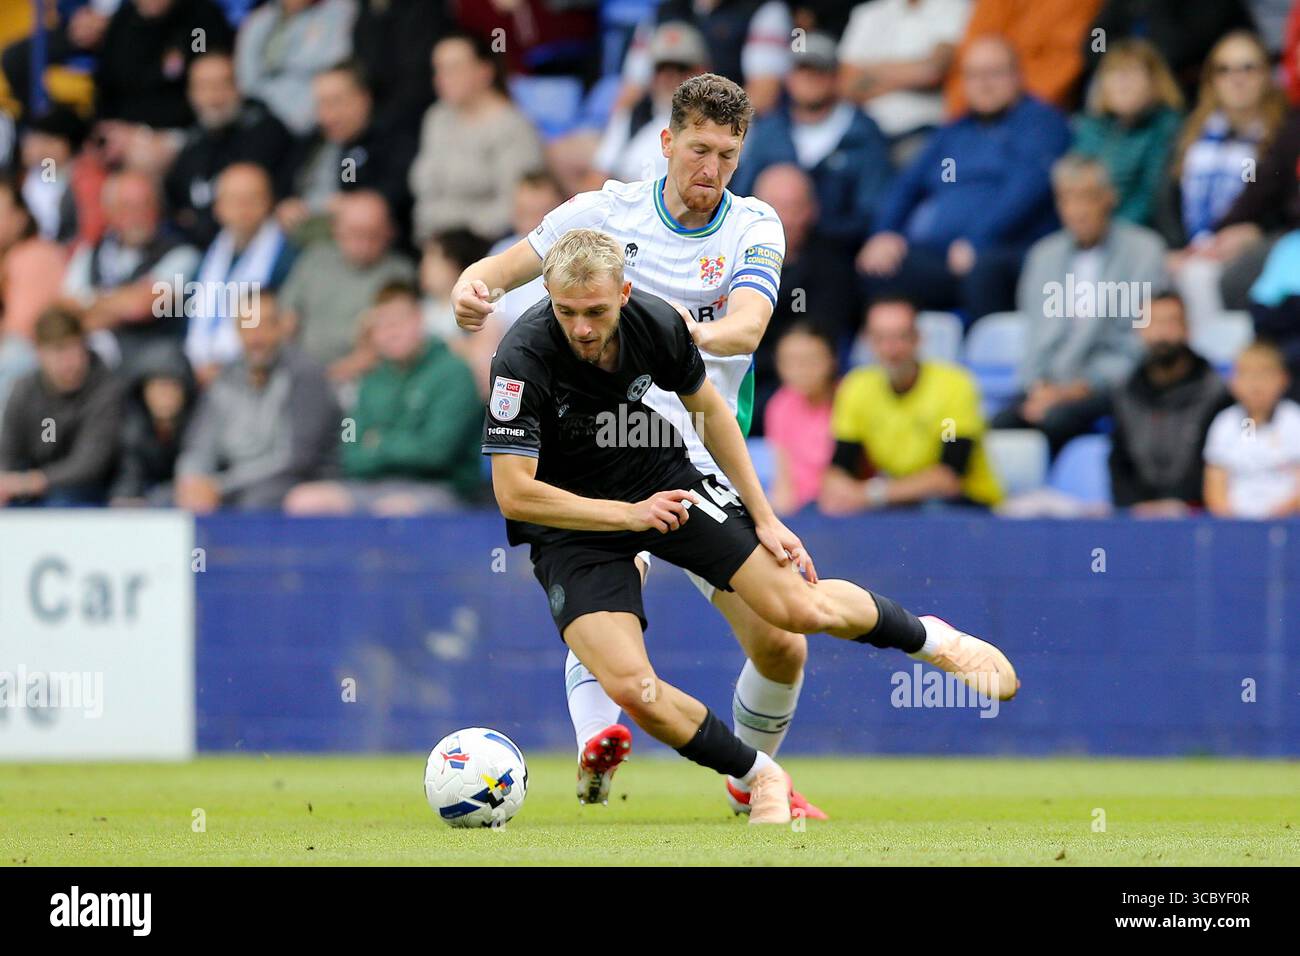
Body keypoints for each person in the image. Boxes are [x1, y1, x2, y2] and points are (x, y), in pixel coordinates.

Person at [483, 228, 1018, 824]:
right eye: (566, 311)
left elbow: (709, 411)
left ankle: (935, 641)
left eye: (596, 312)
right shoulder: (521, 357)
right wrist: (628, 518)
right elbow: (515, 493)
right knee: (636, 690)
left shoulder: (655, 322)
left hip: (661, 477)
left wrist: (764, 516)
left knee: (797, 610)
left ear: (625, 293)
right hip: (573, 522)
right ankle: (759, 776)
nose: (581, 327)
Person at [453, 74, 820, 817]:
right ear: (666, 143)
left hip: (707, 460)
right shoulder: (602, 213)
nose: (709, 169)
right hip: (605, 452)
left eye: (726, 153)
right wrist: (471, 285)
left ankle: (748, 780)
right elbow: (503, 268)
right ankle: (601, 739)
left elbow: (748, 329)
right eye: (696, 149)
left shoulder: (754, 225)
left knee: (785, 644)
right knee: (618, 586)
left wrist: (680, 337)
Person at [857, 36, 1071, 322]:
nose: (984, 84)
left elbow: (1026, 192)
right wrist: (884, 233)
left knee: (984, 270)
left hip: (1012, 250)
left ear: (1018, 75)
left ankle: (986, 361)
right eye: (973, 75)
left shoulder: (1042, 123)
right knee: (878, 267)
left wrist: (979, 239)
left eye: (994, 73)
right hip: (944, 254)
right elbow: (907, 185)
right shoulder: (953, 131)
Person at [993, 155, 1165, 454]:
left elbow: (1138, 340)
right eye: (1067, 200)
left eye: (1087, 198)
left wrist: (1078, 388)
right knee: (999, 426)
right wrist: (1040, 388)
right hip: (1048, 387)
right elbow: (1034, 336)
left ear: (1108, 199)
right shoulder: (1043, 255)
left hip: (1112, 386)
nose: (1078, 211)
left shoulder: (1144, 252)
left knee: (1057, 422)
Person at [283, 282, 481, 515]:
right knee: (303, 501)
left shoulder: (454, 372)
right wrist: (399, 445)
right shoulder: (370, 379)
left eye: (397, 323)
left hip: (441, 489)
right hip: (372, 485)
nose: (390, 333)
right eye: (381, 326)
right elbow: (351, 451)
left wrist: (378, 443)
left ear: (418, 321)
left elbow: (436, 454)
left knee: (390, 511)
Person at [820, 297, 1001, 513]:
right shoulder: (856, 387)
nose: (891, 349)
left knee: (934, 508)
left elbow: (949, 476)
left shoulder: (954, 385)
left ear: (918, 339)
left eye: (901, 337)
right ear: (868, 342)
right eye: (880, 338)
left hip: (964, 505)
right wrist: (839, 490)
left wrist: (871, 494)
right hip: (896, 501)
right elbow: (841, 465)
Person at [1158, 31, 1289, 328]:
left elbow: (1288, 202)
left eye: (1248, 68)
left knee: (1200, 277)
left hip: (1255, 248)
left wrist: (1256, 233)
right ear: (1211, 80)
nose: (1236, 78)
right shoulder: (1190, 133)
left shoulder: (1284, 135)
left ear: (1267, 75)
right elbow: (1167, 198)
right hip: (1192, 247)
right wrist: (1176, 247)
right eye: (1224, 69)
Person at [175, 290, 341, 511]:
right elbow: (199, 446)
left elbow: (296, 459)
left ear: (282, 328)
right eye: (248, 326)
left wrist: (220, 486)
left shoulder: (306, 375)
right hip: (233, 483)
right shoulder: (224, 377)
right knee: (164, 500)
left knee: (255, 502)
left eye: (265, 325)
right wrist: (191, 481)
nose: (256, 338)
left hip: (298, 483)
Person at [728, 31, 893, 246]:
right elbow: (741, 196)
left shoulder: (864, 133)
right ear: (788, 78)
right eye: (801, 70)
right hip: (767, 251)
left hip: (840, 254)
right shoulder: (770, 129)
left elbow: (873, 210)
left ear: (835, 76)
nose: (809, 78)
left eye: (818, 70)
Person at [408, 31, 544, 245]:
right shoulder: (436, 117)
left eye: (454, 68)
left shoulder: (513, 126)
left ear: (485, 71)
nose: (442, 78)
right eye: (438, 69)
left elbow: (515, 206)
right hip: (432, 238)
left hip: (486, 246)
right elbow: (424, 189)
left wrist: (458, 235)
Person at [61, 170, 200, 368]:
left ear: (157, 208)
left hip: (152, 365)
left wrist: (89, 303)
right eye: (127, 207)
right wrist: (118, 304)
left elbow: (140, 306)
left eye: (145, 205)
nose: (137, 215)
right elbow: (66, 307)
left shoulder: (182, 252)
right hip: (93, 366)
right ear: (109, 211)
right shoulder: (91, 251)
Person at [1109, 293, 1231, 514]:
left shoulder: (1217, 392)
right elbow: (1119, 461)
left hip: (1197, 515)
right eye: (1152, 322)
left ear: (1187, 328)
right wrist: (1133, 506)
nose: (1161, 333)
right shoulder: (1125, 393)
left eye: (1170, 322)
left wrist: (1180, 502)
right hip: (1138, 516)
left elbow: (1216, 460)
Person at [278, 190, 415, 384]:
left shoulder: (399, 273)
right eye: (356, 233)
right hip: (301, 369)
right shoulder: (315, 259)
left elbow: (389, 342)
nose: (364, 243)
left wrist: (335, 374)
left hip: (359, 378)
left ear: (389, 232)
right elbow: (287, 319)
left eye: (373, 234)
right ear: (336, 230)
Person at [184, 163, 298, 386]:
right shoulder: (209, 256)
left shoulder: (287, 259)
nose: (242, 208)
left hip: (259, 373)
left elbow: (286, 324)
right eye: (233, 200)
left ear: (269, 202)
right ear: (218, 207)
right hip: (199, 371)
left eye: (252, 198)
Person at [164, 51, 294, 247]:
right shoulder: (194, 143)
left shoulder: (266, 131)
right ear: (191, 94)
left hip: (257, 246)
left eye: (222, 85)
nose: (214, 98)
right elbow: (176, 207)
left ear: (239, 87)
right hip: (205, 253)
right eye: (204, 87)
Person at [0, 306, 122, 507]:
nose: (70, 362)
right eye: (59, 351)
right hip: (30, 492)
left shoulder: (105, 389)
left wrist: (34, 481)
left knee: (61, 501)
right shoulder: (25, 389)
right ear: (39, 353)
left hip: (90, 494)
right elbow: (8, 452)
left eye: (75, 349)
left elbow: (91, 463)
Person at [1072, 39, 1184, 228]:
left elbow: (1151, 197)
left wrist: (1106, 236)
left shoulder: (1168, 126)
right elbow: (1072, 187)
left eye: (1132, 72)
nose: (1123, 83)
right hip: (1087, 234)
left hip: (1140, 236)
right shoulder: (1089, 127)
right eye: (1114, 73)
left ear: (1154, 81)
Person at [837, 0, 971, 155]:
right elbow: (843, 85)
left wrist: (866, 71)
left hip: (923, 131)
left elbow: (932, 71)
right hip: (864, 133)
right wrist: (911, 74)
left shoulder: (954, 7)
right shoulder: (867, 13)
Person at [591, 21, 710, 188]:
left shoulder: (716, 125)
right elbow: (598, 174)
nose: (670, 78)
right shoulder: (631, 115)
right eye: (662, 69)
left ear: (701, 73)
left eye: (681, 69)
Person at [94, 0, 235, 130]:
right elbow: (106, 87)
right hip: (123, 131)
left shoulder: (200, 22)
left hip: (184, 130)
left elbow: (207, 83)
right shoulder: (122, 22)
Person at [1203, 341, 1300, 518]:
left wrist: (1275, 516)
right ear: (1233, 382)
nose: (1256, 385)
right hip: (1235, 526)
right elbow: (1215, 484)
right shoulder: (1225, 424)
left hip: (1288, 525)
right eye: (1247, 375)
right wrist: (1237, 523)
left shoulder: (1294, 420)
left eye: (1265, 375)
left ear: (1284, 379)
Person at [234, 0, 357, 136]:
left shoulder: (340, 10)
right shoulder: (259, 19)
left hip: (309, 119)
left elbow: (333, 66)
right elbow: (246, 80)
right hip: (262, 116)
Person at [110, 342, 198, 505]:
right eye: (157, 386)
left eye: (172, 385)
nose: (164, 394)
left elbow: (197, 470)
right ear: (143, 391)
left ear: (185, 390)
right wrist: (127, 497)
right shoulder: (133, 427)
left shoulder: (199, 422)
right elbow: (128, 475)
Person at [764, 324, 836, 515]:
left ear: (831, 359)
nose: (800, 370)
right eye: (790, 362)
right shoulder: (779, 404)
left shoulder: (849, 398)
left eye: (810, 360)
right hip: (800, 511)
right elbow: (783, 478)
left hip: (842, 506)